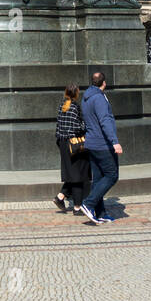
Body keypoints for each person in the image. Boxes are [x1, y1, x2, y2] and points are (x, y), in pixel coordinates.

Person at [79, 71, 122, 225]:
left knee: (98, 180)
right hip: (102, 144)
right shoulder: (99, 98)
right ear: (104, 83)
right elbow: (105, 120)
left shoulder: (86, 98)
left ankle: (101, 213)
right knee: (112, 175)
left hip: (91, 143)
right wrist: (114, 141)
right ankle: (88, 204)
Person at [54, 84, 90, 215]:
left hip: (63, 143)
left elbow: (58, 126)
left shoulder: (61, 106)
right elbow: (78, 128)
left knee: (72, 173)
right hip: (74, 144)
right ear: (76, 94)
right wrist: (85, 123)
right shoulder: (75, 107)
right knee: (78, 175)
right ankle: (77, 207)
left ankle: (61, 196)